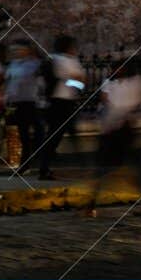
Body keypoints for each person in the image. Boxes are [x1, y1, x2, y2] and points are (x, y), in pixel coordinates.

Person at [86, 55, 141, 218]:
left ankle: (91, 206)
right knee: (140, 169)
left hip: (121, 132)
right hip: (124, 131)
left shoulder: (132, 83)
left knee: (105, 169)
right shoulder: (125, 83)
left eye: (118, 68)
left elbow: (109, 102)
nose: (114, 71)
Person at [37, 34, 85, 180]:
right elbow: (77, 80)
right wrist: (76, 82)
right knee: (56, 136)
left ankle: (46, 166)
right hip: (63, 102)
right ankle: (44, 168)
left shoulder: (53, 59)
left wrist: (74, 81)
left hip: (56, 102)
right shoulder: (65, 61)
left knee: (58, 135)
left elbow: (74, 79)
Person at [4, 41, 45, 172]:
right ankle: (25, 163)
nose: (16, 52)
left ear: (27, 50)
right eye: (14, 50)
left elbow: (42, 82)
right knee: (23, 134)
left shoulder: (34, 64)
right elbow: (9, 82)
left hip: (32, 102)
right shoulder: (13, 65)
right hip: (17, 103)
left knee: (38, 133)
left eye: (19, 49)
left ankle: (42, 161)